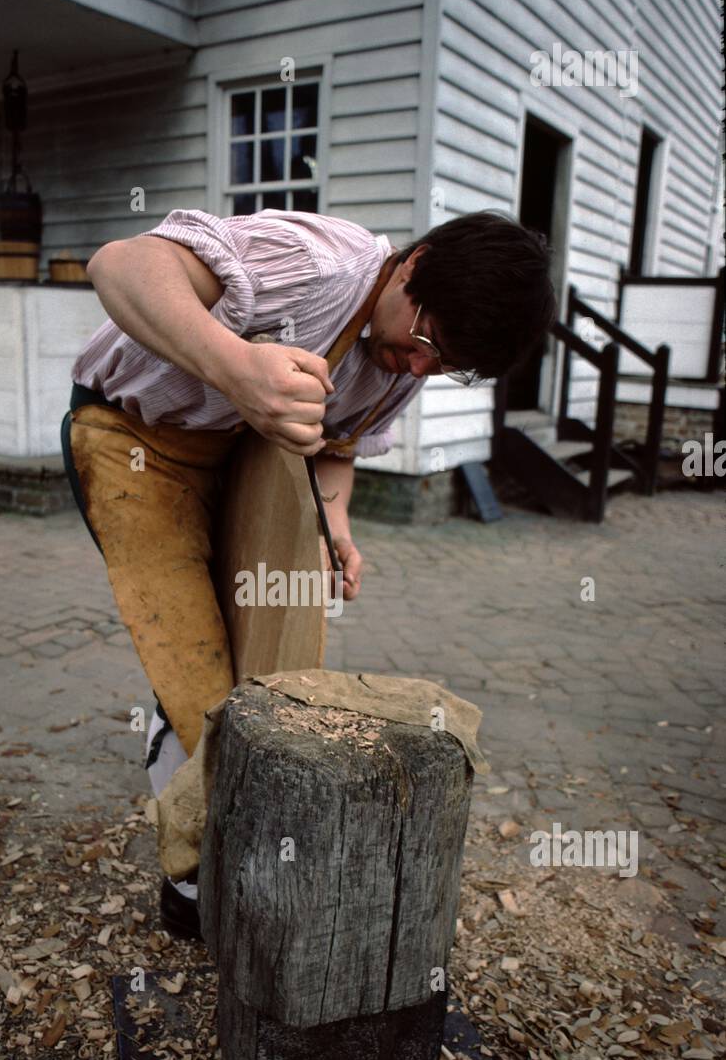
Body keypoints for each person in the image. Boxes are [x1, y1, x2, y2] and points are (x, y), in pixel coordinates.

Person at [64, 207, 555, 938]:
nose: (421, 367)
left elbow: (335, 446)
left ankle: (247, 843)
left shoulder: (406, 356)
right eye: (427, 342)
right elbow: (118, 264)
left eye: (443, 365)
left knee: (267, 687)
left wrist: (337, 525)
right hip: (130, 440)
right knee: (201, 690)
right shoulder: (318, 263)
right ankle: (191, 883)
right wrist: (235, 367)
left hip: (236, 460)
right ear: (412, 267)